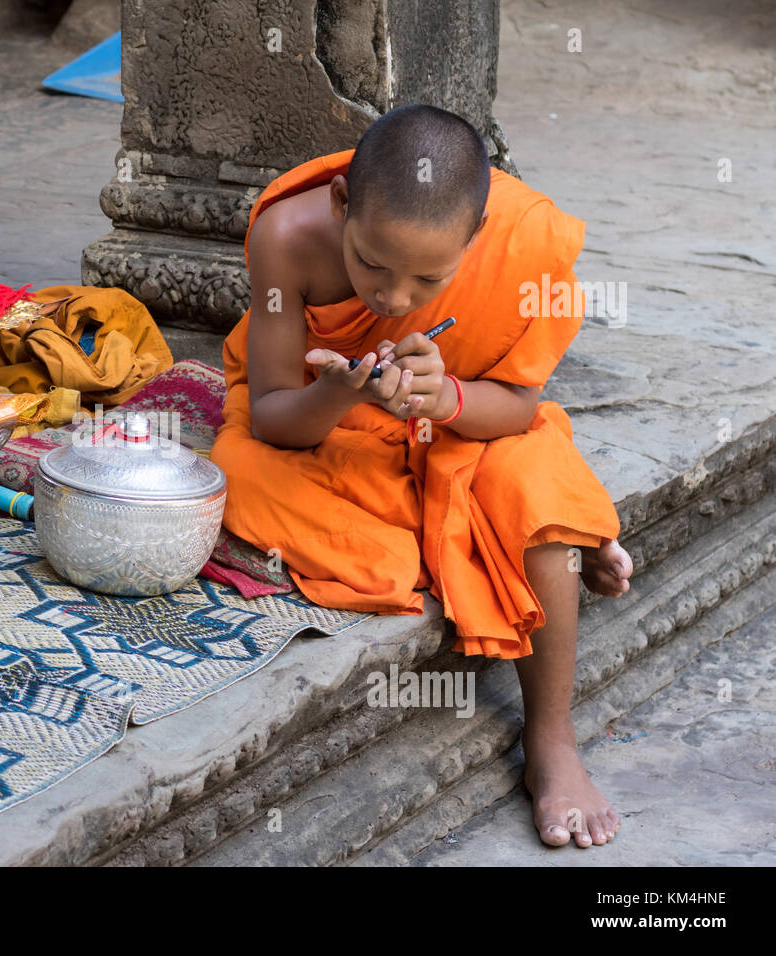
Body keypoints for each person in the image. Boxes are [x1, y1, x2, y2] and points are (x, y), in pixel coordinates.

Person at [209, 104, 634, 848]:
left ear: (474, 238)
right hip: (335, 427)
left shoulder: (521, 238)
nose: (394, 298)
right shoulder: (286, 238)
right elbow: (275, 415)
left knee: (533, 482)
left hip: (465, 424)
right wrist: (340, 391)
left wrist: (448, 397)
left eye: (428, 278)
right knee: (237, 471)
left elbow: (518, 407)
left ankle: (554, 741)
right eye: (371, 263)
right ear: (341, 204)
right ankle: (526, 546)